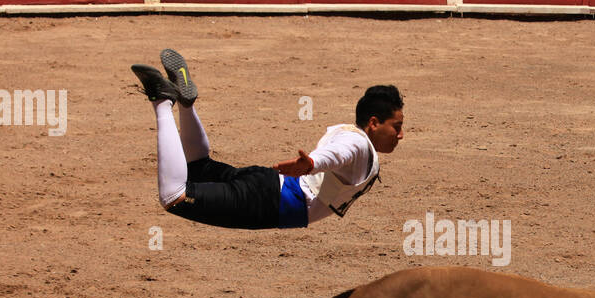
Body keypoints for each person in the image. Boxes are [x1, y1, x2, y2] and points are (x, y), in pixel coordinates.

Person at [131, 50, 403, 230]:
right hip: (272, 201)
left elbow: (337, 154)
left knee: (199, 166)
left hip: (267, 182)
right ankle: (164, 100)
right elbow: (337, 155)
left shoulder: (347, 131)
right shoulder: (358, 145)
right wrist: (311, 163)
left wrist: (311, 165)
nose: (400, 135)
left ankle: (186, 105)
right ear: (373, 123)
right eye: (396, 127)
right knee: (173, 196)